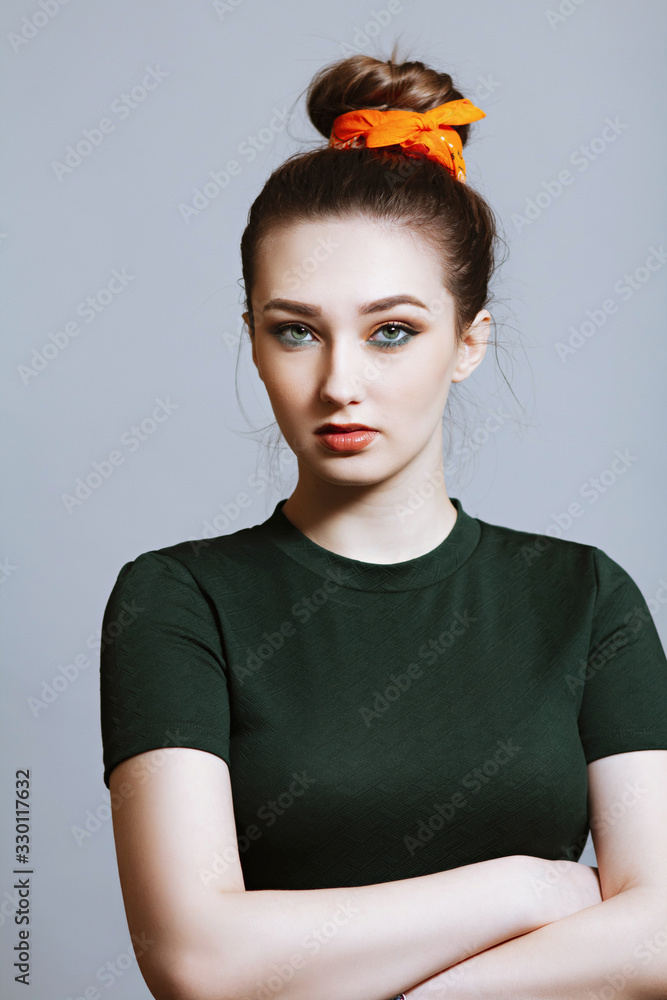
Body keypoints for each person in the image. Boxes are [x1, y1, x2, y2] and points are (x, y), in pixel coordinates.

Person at [99, 48, 667, 1000]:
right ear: (251, 336)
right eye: (295, 330)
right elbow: (196, 962)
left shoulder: (583, 596)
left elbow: (660, 934)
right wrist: (527, 889)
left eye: (391, 330)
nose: (338, 383)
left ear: (469, 341)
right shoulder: (176, 598)